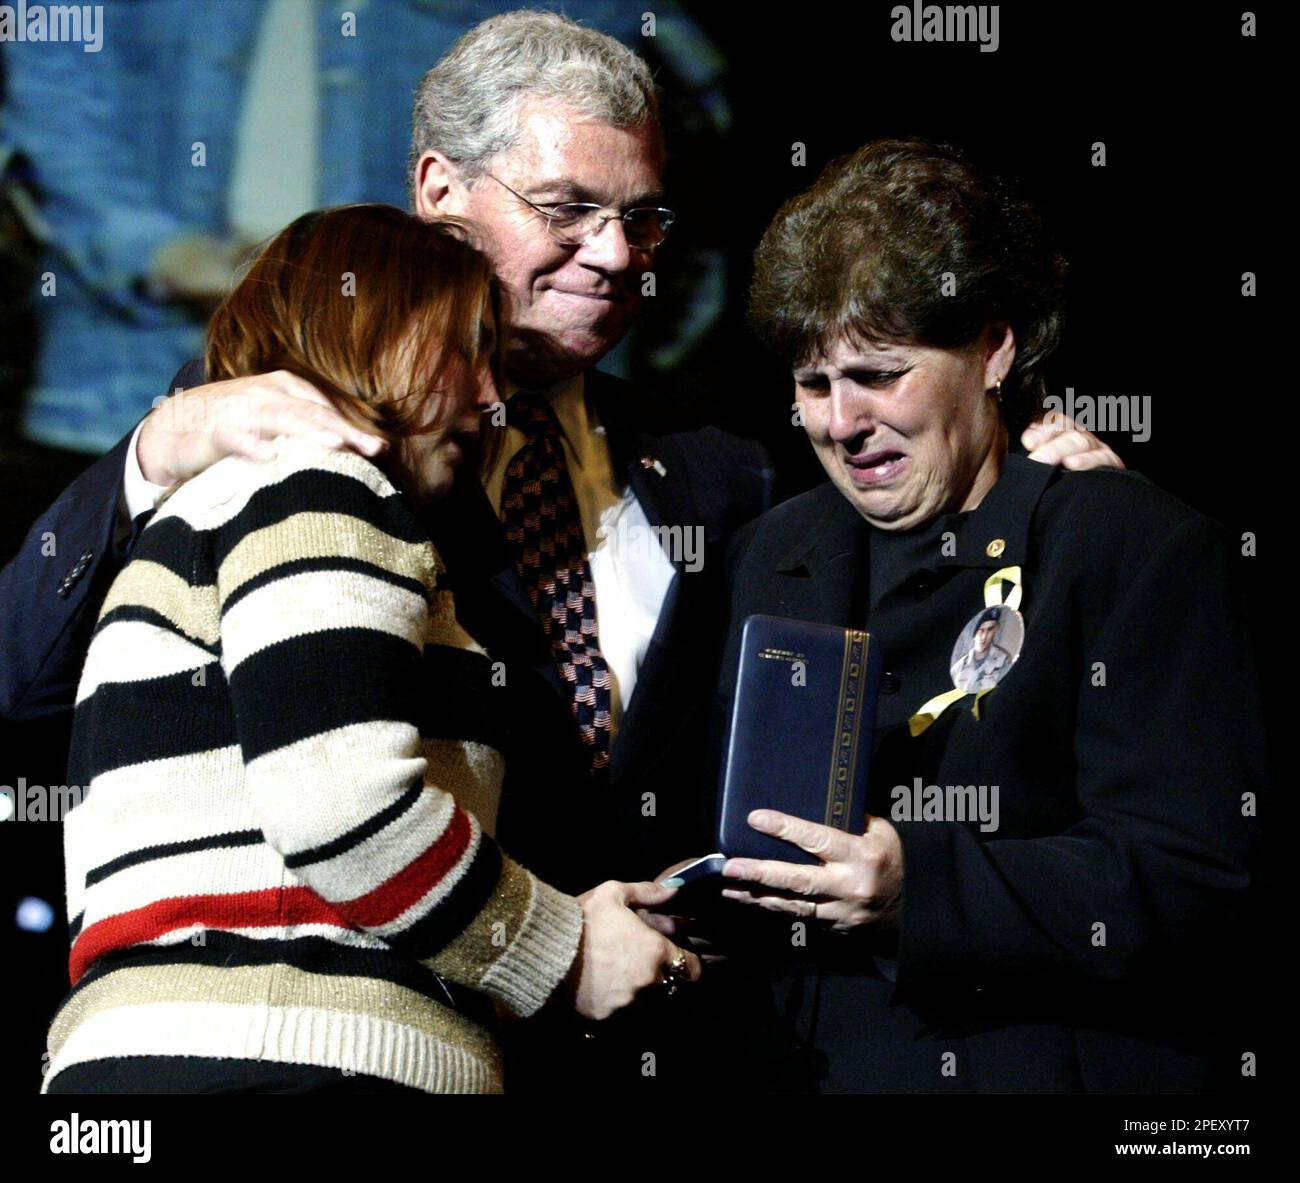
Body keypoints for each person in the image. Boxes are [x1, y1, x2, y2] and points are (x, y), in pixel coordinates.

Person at [2, 11, 1119, 1089]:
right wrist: (152, 452)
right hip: (347, 1040)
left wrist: (1032, 505)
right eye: (568, 208)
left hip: (667, 1049)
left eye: (642, 219)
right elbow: (23, 669)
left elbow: (903, 672)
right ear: (440, 190)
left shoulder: (726, 475)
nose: (615, 254)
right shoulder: (281, 424)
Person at [40, 204, 701, 1095]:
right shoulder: (321, 485)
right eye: (463, 351)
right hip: (297, 1064)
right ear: (373, 329)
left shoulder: (220, 504)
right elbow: (341, 805)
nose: (487, 398)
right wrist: (567, 946)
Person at [703, 139, 1265, 1092]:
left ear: (994, 349)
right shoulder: (768, 554)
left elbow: (1198, 875)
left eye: (880, 374)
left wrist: (924, 887)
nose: (842, 421)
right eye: (813, 383)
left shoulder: (1126, 543)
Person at [950, 605, 1014, 691]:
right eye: (981, 630)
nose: (984, 637)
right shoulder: (959, 667)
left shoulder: (1003, 660)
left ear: (996, 630)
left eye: (990, 629)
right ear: (974, 634)